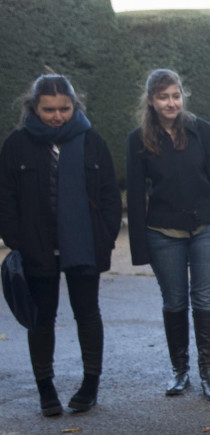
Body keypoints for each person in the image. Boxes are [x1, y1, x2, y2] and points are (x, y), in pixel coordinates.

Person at [0, 74, 121, 416]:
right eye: (48, 109)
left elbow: (110, 195)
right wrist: (17, 241)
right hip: (36, 248)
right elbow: (5, 198)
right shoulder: (17, 144)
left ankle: (90, 385)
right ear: (34, 108)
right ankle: (46, 389)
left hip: (84, 246)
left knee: (87, 314)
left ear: (74, 105)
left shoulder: (91, 141)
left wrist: (104, 236)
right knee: (41, 319)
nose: (57, 116)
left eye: (64, 109)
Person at [126, 69, 210, 402]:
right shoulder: (138, 139)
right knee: (174, 301)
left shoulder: (201, 130)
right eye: (163, 97)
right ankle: (180, 371)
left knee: (204, 300)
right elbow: (135, 196)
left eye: (175, 95)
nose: (171, 102)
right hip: (162, 232)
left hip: (207, 226)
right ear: (151, 101)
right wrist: (139, 249)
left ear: (182, 96)